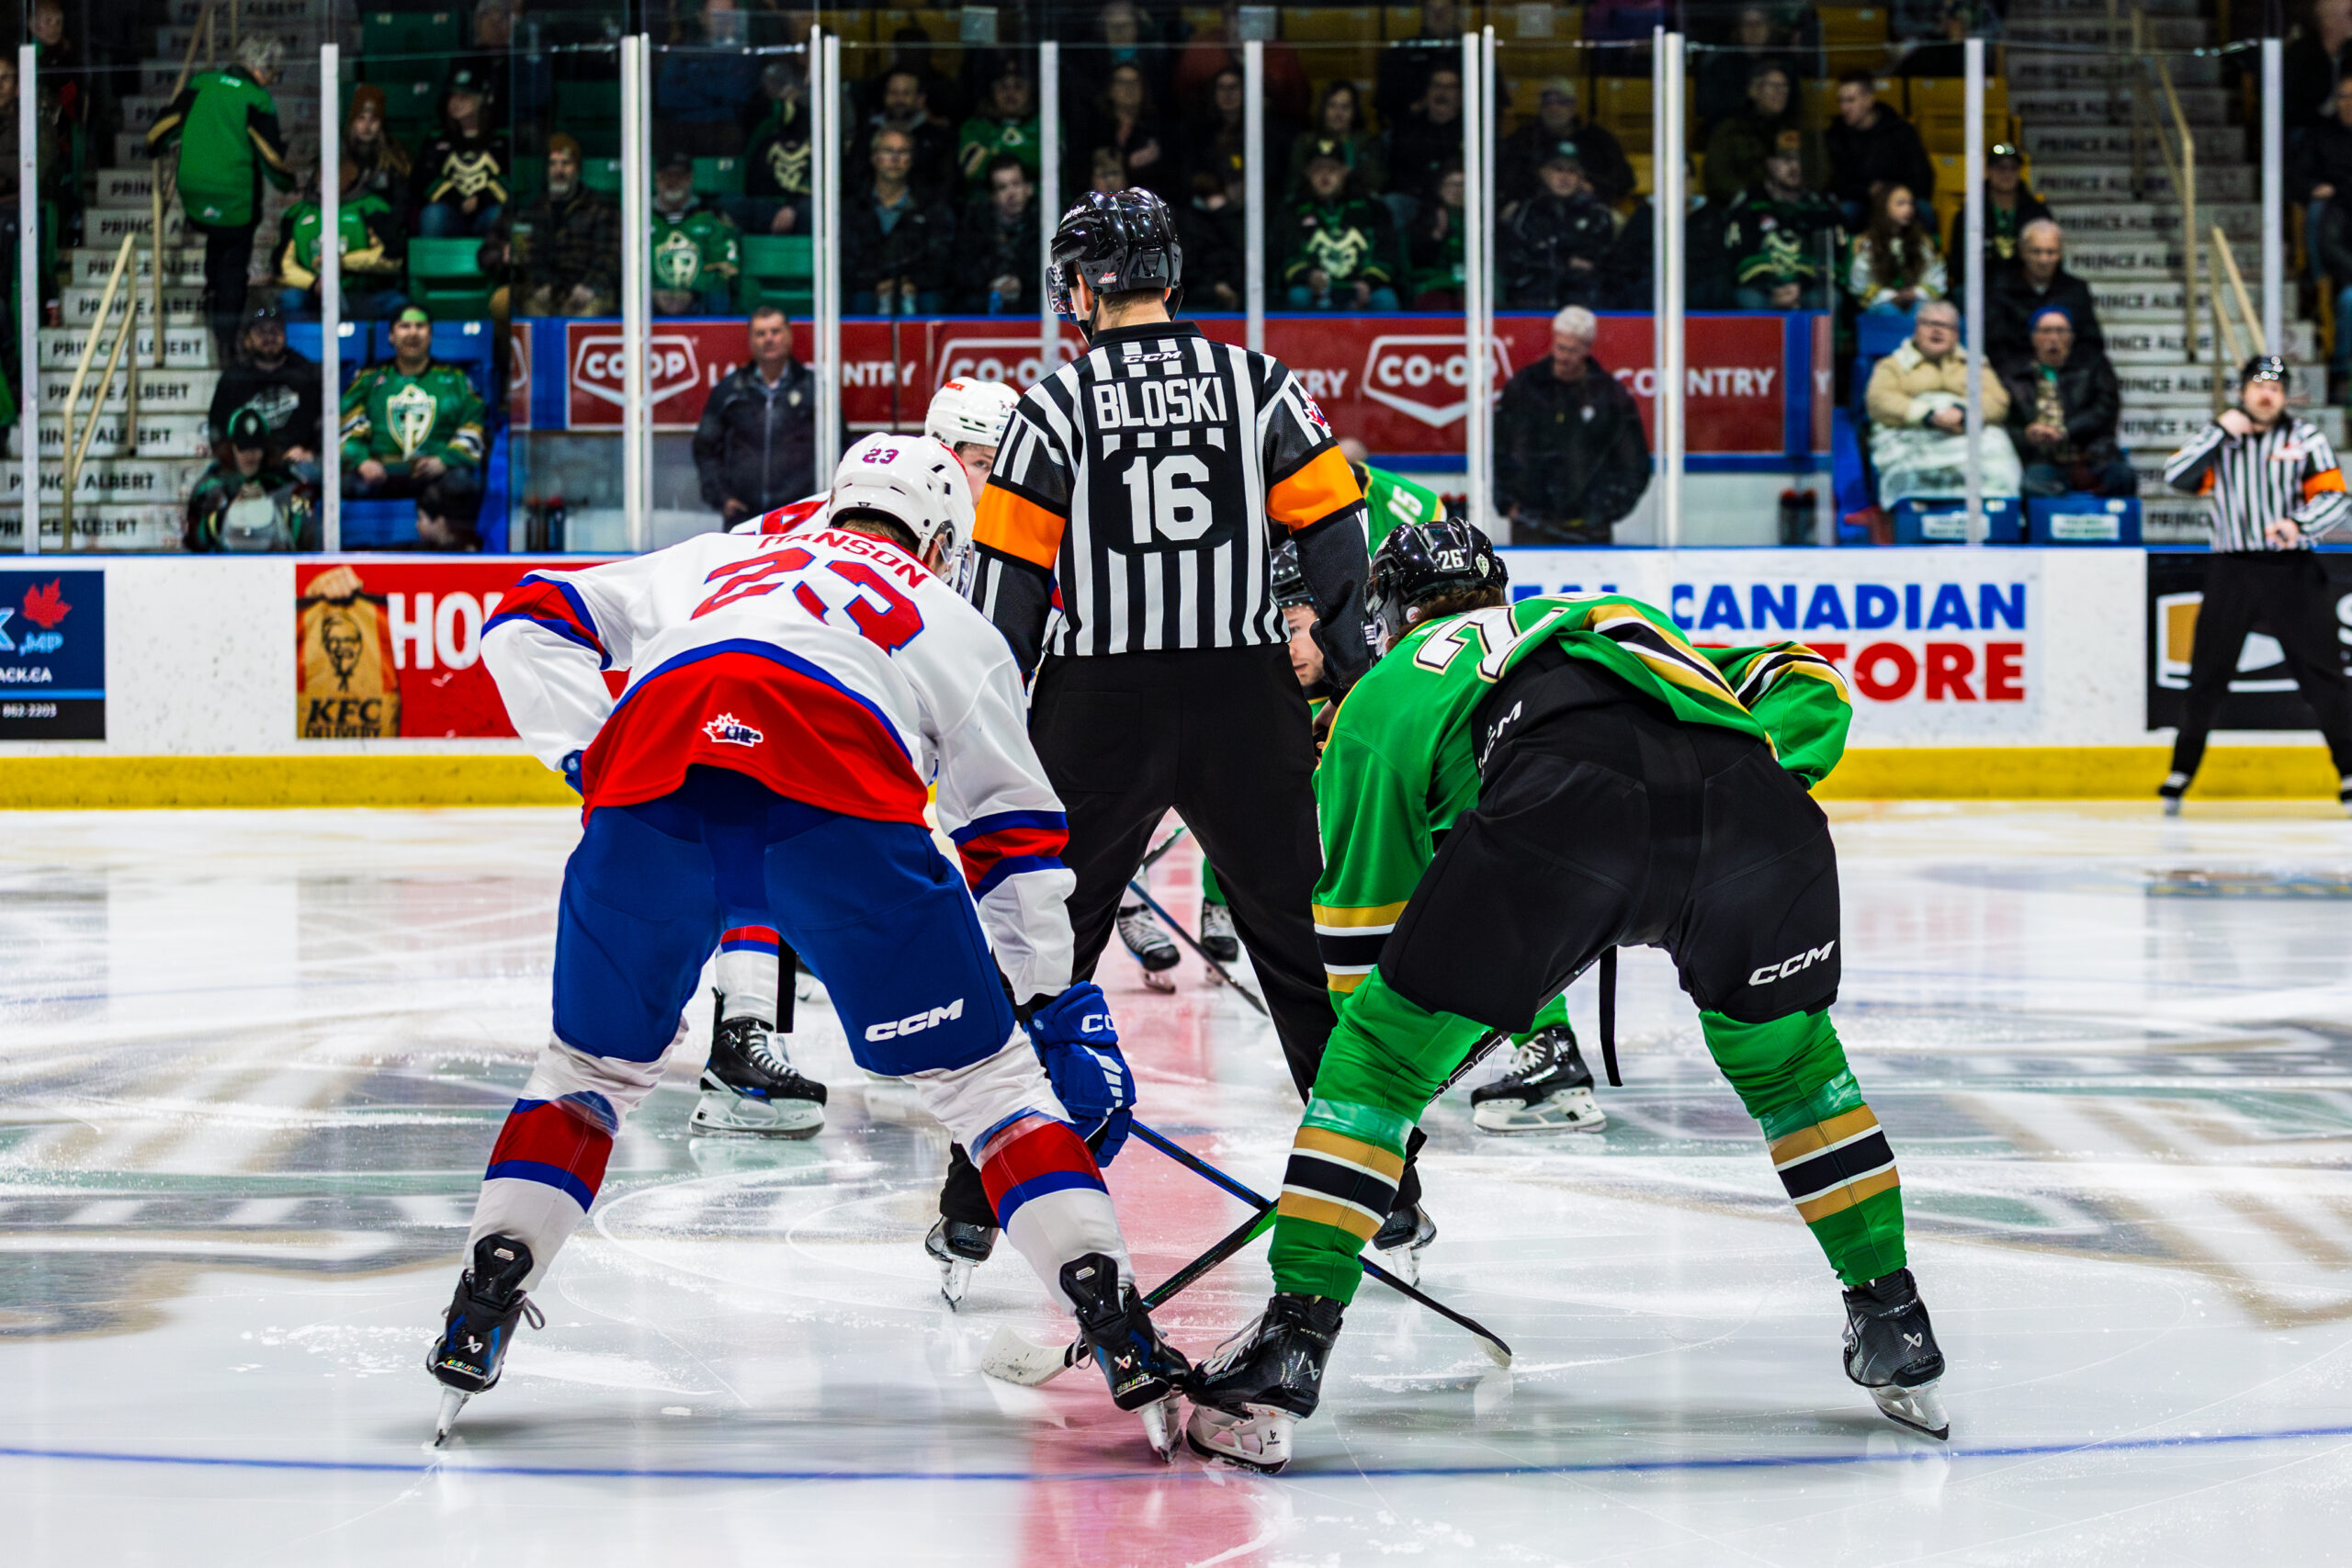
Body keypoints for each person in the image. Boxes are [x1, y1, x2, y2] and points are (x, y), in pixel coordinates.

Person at [435, 436, 1192, 1459]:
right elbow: (1012, 838)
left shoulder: (723, 558)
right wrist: (1032, 995)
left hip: (652, 787)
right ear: (939, 538)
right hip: (834, 802)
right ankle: (1108, 1307)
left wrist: (593, 753)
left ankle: (488, 1288)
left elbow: (529, 613)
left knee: (587, 1070)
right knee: (989, 1090)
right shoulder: (953, 620)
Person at [1181, 520, 1948, 1472]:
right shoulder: (1595, 619)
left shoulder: (1382, 693)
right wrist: (1721, 801)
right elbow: (1810, 681)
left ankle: (1294, 1340)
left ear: (1386, 615)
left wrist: (1386, 1104)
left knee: (1370, 1066)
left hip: (1561, 815)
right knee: (1795, 1075)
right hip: (1756, 817)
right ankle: (1892, 1317)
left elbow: (1358, 939)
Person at [957, 189, 1407, 1285]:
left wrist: (982, 729)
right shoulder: (1259, 384)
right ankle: (1383, 1191)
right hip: (1241, 697)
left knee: (1040, 942)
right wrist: (1343, 671)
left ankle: (975, 1203)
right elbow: (1338, 536)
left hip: (1095, 705)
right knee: (1301, 947)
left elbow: (1004, 591)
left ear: (1081, 285)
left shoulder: (1053, 402)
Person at [2157, 356, 2352, 816]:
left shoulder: (2304, 438)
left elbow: (2334, 497)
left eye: (2276, 389)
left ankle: (2349, 772)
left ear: (2285, 397)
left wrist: (2299, 523)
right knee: (2207, 675)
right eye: (2259, 386)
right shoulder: (2221, 441)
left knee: (2323, 677)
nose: (2267, 395)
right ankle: (2181, 770)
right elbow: (2175, 477)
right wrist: (2219, 431)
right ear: (2243, 391)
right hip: (2233, 569)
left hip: (2291, 570)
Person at [145, 33, 295, 356]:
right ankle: (226, 338)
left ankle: (211, 296)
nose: (272, 80)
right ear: (263, 69)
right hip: (234, 196)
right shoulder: (257, 98)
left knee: (218, 240)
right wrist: (289, 183)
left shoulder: (201, 82)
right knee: (234, 259)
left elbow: (161, 129)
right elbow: (270, 156)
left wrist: (152, 148)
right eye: (274, 73)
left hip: (194, 193)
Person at [1493, 306, 1651, 546]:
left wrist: (1607, 510)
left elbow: (1634, 462)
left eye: (1572, 350)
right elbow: (1500, 446)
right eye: (1560, 347)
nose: (1563, 356)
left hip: (1590, 529)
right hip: (1531, 524)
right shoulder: (1524, 387)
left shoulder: (1608, 395)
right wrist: (1506, 502)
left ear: (1587, 350)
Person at [1864, 299, 2020, 506]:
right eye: (1929, 324)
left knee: (1999, 460)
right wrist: (1928, 415)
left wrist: (1965, 413)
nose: (1937, 330)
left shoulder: (1976, 364)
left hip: (1966, 432)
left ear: (1956, 334)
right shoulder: (1892, 364)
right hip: (1915, 431)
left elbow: (1998, 401)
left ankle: (1995, 516)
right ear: (1916, 329)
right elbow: (1878, 400)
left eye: (1946, 326)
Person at [340, 306, 488, 501]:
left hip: (437, 473)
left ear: (431, 335)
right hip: (378, 472)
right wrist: (362, 461)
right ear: (391, 336)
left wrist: (444, 461)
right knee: (343, 485)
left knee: (461, 484)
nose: (413, 333)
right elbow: (346, 421)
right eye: (404, 326)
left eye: (420, 326)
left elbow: (473, 425)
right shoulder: (369, 378)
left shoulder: (456, 379)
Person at [693, 306, 818, 527]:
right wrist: (722, 498)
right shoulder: (730, 390)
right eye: (761, 334)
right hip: (743, 518)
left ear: (788, 335)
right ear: (750, 340)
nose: (769, 339)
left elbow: (839, 446)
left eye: (775, 331)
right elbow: (705, 448)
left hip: (800, 518)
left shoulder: (814, 389)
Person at [2001, 307, 2134, 499]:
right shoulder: (2016, 376)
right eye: (2046, 331)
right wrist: (2028, 435)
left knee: (2122, 477)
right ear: (2033, 337)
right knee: (2032, 484)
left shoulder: (2093, 366)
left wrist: (2064, 430)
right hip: (2043, 459)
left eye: (2061, 331)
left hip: (2093, 455)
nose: (2054, 337)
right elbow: (2008, 422)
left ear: (2071, 336)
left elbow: (2105, 409)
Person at [275, 160, 407, 322]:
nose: (328, 180)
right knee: (291, 300)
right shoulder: (298, 213)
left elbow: (393, 259)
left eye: (337, 174)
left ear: (352, 177)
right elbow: (280, 267)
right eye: (323, 174)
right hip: (314, 295)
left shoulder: (373, 207)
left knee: (397, 303)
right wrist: (313, 284)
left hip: (364, 294)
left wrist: (343, 262)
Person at [842, 128, 955, 316]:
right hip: (867, 289)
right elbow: (848, 261)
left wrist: (910, 282)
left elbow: (940, 258)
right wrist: (876, 283)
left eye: (902, 152)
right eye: (888, 151)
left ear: (911, 159)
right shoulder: (854, 207)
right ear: (874, 158)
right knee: (859, 300)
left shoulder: (930, 207)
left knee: (931, 301)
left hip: (916, 289)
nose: (895, 158)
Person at [507, 134, 620, 317]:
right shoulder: (530, 209)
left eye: (566, 163)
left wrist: (590, 287)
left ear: (578, 169)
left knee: (588, 313)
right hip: (541, 294)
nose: (559, 171)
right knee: (527, 309)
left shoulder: (601, 208)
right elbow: (494, 251)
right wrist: (536, 286)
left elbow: (611, 257)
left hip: (587, 293)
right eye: (553, 164)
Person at [1281, 143, 1401, 311]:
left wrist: (1369, 282)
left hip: (1362, 285)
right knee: (1298, 296)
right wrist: (1308, 275)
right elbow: (1286, 254)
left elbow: (1386, 251)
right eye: (1318, 169)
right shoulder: (1294, 209)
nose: (1325, 175)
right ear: (1307, 172)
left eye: (1332, 169)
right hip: (1314, 288)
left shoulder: (1370, 207)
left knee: (1385, 300)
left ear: (1345, 170)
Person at [1725, 141, 1844, 309]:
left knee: (1829, 298)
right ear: (1769, 162)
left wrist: (1801, 286)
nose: (1795, 166)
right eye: (1787, 159)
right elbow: (1739, 255)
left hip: (1808, 288)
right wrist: (1770, 287)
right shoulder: (1750, 203)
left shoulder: (1823, 205)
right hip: (1761, 288)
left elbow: (1833, 257)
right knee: (1749, 299)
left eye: (1802, 160)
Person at [1498, 146, 1617, 310]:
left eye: (1572, 171)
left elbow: (1600, 259)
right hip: (1532, 299)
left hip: (1584, 299)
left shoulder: (1597, 213)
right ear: (1543, 173)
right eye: (1558, 169)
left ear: (1581, 177)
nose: (1565, 177)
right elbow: (1518, 257)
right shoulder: (1526, 211)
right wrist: (1565, 261)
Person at [185, 409, 316, 553]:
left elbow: (307, 538)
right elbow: (194, 541)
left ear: (265, 447)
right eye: (243, 447)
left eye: (255, 447)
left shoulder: (283, 481)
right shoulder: (212, 485)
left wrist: (275, 507)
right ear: (232, 447)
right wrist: (227, 511)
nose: (249, 454)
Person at [209, 299, 321, 465]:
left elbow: (323, 421)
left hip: (297, 462)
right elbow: (216, 428)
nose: (269, 337)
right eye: (261, 331)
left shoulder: (305, 373)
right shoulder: (234, 377)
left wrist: (310, 450)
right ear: (248, 339)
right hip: (249, 463)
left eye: (275, 331)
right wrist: (234, 459)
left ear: (285, 335)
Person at [1497, 79, 1634, 209]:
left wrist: (1593, 187)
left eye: (1562, 101)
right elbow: (1504, 179)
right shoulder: (1524, 138)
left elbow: (1624, 181)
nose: (1554, 107)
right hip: (1535, 212)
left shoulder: (1598, 140)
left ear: (1574, 106)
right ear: (1540, 106)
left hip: (1588, 212)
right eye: (1548, 101)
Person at [652, 0, 763, 159]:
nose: (723, 20)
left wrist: (692, 80)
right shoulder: (681, 52)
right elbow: (668, 96)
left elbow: (737, 94)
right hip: (681, 128)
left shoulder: (745, 54)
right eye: (716, 14)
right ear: (702, 17)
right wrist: (716, 88)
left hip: (727, 127)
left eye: (728, 14)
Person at [1824, 70, 1937, 226]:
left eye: (1850, 100)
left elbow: (1924, 176)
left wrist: (1892, 194)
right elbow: (1835, 183)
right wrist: (1868, 191)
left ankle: (1925, 250)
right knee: (1846, 212)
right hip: (1860, 202)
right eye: (1841, 101)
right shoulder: (1836, 134)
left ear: (1869, 100)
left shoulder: (1900, 130)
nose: (1844, 108)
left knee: (1923, 210)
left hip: (1899, 198)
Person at [1703, 63, 1825, 204]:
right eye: (1773, 86)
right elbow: (1719, 178)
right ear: (1754, 90)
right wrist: (1759, 194)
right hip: (1747, 209)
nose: (1781, 91)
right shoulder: (1730, 131)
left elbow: (1819, 172)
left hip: (1794, 206)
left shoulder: (1798, 130)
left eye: (1785, 86)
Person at [1986, 220, 2104, 365]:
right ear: (2022, 252)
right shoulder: (2001, 290)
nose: (2044, 259)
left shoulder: (2076, 290)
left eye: (2051, 252)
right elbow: (1996, 344)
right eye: (2036, 252)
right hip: (2016, 376)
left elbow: (2091, 342)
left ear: (2060, 253)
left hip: (2069, 376)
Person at [414, 66, 510, 240]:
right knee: (432, 215)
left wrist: (480, 199)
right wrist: (457, 200)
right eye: (453, 96)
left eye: (464, 96)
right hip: (450, 212)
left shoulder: (501, 140)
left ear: (483, 99)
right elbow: (425, 179)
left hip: (486, 211)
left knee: (499, 215)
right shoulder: (436, 139)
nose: (456, 102)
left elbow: (507, 181)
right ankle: (430, 266)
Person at [1945, 144, 2051, 293]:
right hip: (1982, 288)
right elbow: (1958, 261)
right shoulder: (1969, 213)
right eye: (2001, 168)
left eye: (2013, 168)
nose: (2007, 174)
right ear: (1988, 171)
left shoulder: (2037, 212)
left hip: (2026, 287)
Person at [650, 153, 741, 316]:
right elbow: (627, 267)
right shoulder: (637, 219)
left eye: (679, 176)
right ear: (656, 178)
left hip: (700, 299)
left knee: (719, 296)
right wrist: (653, 293)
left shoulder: (713, 217)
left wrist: (692, 293)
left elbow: (726, 267)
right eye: (666, 176)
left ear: (690, 179)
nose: (673, 181)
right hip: (650, 300)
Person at [1695, 6, 1808, 134]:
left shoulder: (1784, 62)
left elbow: (1794, 108)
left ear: (1769, 27)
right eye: (1747, 24)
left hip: (1777, 132)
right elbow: (1710, 108)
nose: (1753, 30)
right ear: (1738, 29)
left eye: (1759, 23)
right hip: (1733, 133)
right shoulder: (1722, 64)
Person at [851, 66, 957, 201]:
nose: (899, 100)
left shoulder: (938, 138)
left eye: (906, 94)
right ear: (885, 96)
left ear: (920, 98)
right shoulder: (867, 135)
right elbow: (854, 176)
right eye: (893, 93)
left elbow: (947, 184)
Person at [1845, 183, 1947, 316]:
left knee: (1921, 311)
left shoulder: (1923, 242)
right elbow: (1860, 286)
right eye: (1901, 204)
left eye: (1910, 204)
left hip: (1917, 302)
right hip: (1880, 306)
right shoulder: (1867, 243)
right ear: (1883, 208)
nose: (1908, 209)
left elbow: (1936, 280)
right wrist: (1890, 296)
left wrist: (1915, 293)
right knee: (1889, 311)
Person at [1077, 63, 1173, 201]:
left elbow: (1170, 176)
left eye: (1135, 82)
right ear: (1110, 89)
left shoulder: (1159, 128)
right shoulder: (1094, 128)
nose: (1129, 88)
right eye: (1122, 82)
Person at [960, 153, 1041, 314]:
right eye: (1002, 187)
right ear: (992, 196)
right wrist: (991, 285)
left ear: (1028, 188)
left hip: (1032, 299)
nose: (1011, 193)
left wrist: (1022, 283)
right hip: (984, 299)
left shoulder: (1045, 221)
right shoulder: (975, 223)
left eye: (1016, 184)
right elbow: (964, 270)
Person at [1285, 82, 1387, 206]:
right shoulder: (1306, 142)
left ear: (1354, 111)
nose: (1338, 113)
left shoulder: (1367, 142)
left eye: (1345, 107)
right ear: (1323, 109)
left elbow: (1376, 183)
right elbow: (1294, 184)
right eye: (1332, 106)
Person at [1385, 66, 1465, 218]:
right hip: (1418, 201)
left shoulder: (1471, 130)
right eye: (1437, 85)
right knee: (1393, 203)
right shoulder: (1408, 129)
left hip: (1459, 201)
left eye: (1450, 87)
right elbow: (1399, 177)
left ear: (1460, 95)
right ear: (1427, 93)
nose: (1442, 93)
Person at [744, 60, 814, 236]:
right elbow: (754, 179)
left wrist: (792, 204)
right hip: (767, 200)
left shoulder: (815, 125)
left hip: (803, 202)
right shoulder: (764, 125)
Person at [957, 62, 1043, 186]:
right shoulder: (974, 126)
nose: (1010, 94)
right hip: (984, 204)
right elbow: (971, 169)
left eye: (1018, 87)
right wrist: (1023, 152)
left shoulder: (1044, 125)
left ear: (1029, 91)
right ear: (991, 91)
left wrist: (994, 150)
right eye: (1003, 87)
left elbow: (1045, 163)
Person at [1177, 170, 1248, 311]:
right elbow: (1187, 266)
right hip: (1201, 290)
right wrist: (1215, 286)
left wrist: (1223, 213)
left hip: (1236, 287)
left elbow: (1240, 255)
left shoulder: (1235, 219)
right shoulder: (1188, 222)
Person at [344, 85, 414, 217]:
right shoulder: (339, 154)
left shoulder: (394, 155)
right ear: (352, 122)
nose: (367, 126)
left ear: (381, 123)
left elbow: (402, 202)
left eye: (374, 119)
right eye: (361, 118)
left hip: (383, 225)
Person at [1403, 163, 1467, 310]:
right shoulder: (1425, 217)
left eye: (1463, 184)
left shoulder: (1483, 220)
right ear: (1440, 189)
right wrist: (1437, 235)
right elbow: (1415, 261)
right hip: (1435, 283)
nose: (1458, 190)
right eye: (1453, 184)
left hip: (1473, 285)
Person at [413, 475, 484, 551]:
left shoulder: (466, 550)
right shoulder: (426, 549)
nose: (416, 524)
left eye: (420, 518)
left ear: (440, 521)